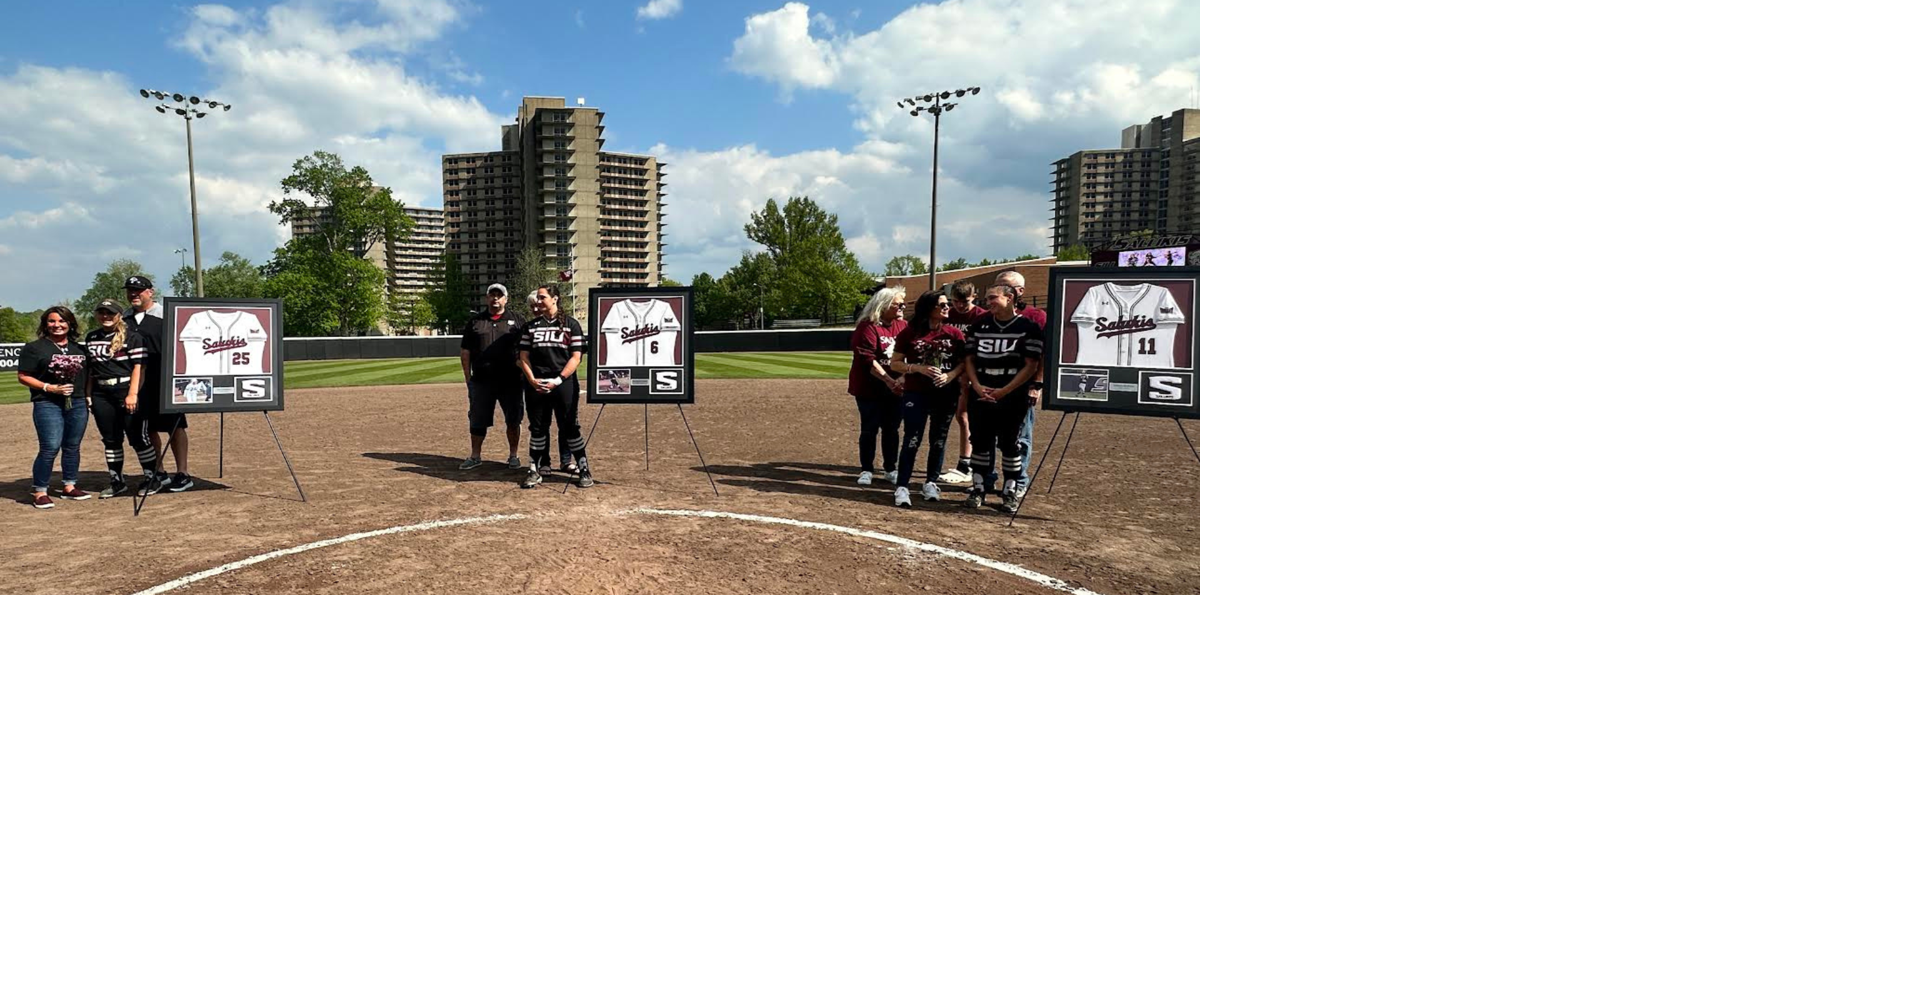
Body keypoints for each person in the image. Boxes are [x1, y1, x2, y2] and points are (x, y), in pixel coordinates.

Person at [959, 284, 1043, 511]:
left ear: (1010, 297)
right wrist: (976, 386)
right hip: (982, 390)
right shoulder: (980, 325)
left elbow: (1031, 364)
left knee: (1010, 444)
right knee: (980, 442)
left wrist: (1005, 391)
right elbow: (969, 358)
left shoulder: (1028, 327)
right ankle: (978, 489)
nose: (988, 303)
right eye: (987, 298)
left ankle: (1009, 491)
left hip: (1012, 393)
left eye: (992, 298)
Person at [887, 291, 968, 507]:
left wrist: (950, 376)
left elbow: (963, 363)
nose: (946, 308)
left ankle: (931, 482)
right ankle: (902, 486)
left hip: (945, 393)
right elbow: (895, 363)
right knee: (912, 438)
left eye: (947, 304)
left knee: (938, 440)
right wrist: (918, 369)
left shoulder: (955, 334)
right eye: (942, 305)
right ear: (929, 308)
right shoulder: (909, 333)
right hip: (916, 392)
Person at [516, 284, 592, 488]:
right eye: (538, 298)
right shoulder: (530, 327)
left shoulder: (571, 325)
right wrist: (532, 380)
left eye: (542, 297)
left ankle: (583, 468)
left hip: (563, 384)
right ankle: (534, 468)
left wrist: (558, 380)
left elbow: (577, 357)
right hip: (537, 385)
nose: (538, 301)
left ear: (555, 298)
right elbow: (523, 357)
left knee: (569, 427)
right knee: (538, 429)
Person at [18, 306, 92, 508]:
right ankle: (40, 490)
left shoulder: (80, 349)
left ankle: (69, 486)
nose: (57, 325)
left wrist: (87, 396)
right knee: (50, 447)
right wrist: (49, 387)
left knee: (72, 446)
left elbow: (88, 376)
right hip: (47, 402)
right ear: (45, 324)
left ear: (70, 324)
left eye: (62, 321)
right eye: (52, 321)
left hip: (76, 402)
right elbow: (23, 376)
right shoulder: (34, 348)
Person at [124, 275, 191, 492]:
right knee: (148, 427)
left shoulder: (167, 314)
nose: (134, 294)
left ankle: (183, 473)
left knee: (175, 426)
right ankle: (159, 471)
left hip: (167, 379)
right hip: (139, 381)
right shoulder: (124, 318)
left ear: (150, 292)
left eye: (139, 290)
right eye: (130, 291)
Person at [984, 269, 1047, 498]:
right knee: (986, 435)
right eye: (996, 286)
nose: (998, 292)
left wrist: (1036, 384)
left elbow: (1041, 355)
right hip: (990, 386)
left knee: (1020, 436)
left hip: (1020, 387)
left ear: (1019, 292)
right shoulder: (987, 317)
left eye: (1005, 287)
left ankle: (1018, 481)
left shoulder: (1035, 317)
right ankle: (986, 478)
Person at [457, 282, 526, 470]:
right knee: (478, 419)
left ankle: (513, 455)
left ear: (506, 298)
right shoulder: (476, 322)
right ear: (487, 298)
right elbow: (466, 351)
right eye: (492, 295)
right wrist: (467, 378)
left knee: (513, 419)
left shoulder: (518, 320)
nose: (495, 298)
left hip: (511, 380)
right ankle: (475, 455)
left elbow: (526, 350)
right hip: (482, 380)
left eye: (499, 295)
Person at [81, 299, 145, 497]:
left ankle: (151, 477)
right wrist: (89, 394)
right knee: (111, 439)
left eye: (110, 313)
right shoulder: (92, 337)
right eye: (101, 313)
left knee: (137, 438)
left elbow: (139, 367)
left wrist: (133, 394)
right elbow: (92, 369)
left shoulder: (132, 337)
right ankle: (117, 481)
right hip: (101, 393)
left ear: (119, 315)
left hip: (125, 389)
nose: (105, 316)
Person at [847, 285, 905, 487]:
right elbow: (868, 360)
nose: (901, 308)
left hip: (896, 387)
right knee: (869, 428)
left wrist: (901, 381)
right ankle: (866, 469)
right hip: (869, 387)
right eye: (898, 304)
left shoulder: (902, 326)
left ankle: (890, 468)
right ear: (885, 304)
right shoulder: (867, 326)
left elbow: (911, 355)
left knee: (892, 429)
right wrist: (889, 381)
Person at [938, 282, 988, 486]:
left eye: (964, 301)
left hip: (974, 370)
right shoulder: (949, 314)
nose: (959, 306)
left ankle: (966, 463)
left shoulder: (981, 316)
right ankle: (966, 461)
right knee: (959, 415)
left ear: (974, 297)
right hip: (954, 367)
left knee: (965, 415)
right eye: (955, 302)